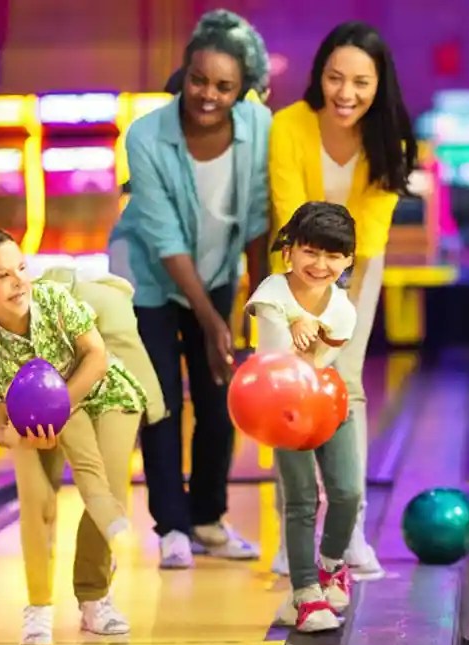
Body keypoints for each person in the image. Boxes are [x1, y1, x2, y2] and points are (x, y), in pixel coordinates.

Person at [108, 10, 271, 568]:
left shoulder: (259, 128)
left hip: (218, 273)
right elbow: (163, 236)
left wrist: (251, 311)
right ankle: (173, 527)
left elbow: (255, 223)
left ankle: (208, 519)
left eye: (225, 86)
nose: (209, 95)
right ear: (186, 71)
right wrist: (211, 322)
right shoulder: (147, 136)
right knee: (160, 401)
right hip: (149, 278)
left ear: (242, 88)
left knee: (221, 396)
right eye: (200, 80)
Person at [0, 223, 148, 645]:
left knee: (106, 483)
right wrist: (27, 436)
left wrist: (60, 404)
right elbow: (1, 427)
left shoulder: (53, 299)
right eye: (2, 276)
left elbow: (96, 355)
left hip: (104, 392)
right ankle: (38, 606)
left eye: (21, 267)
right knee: (36, 498)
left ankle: (94, 598)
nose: (19, 280)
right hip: (42, 423)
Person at [265, 21, 418, 578]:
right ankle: (292, 536)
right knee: (287, 394)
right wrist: (302, 296)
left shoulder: (391, 138)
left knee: (344, 385)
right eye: (335, 78)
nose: (346, 93)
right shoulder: (289, 126)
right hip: (288, 272)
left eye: (360, 81)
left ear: (380, 85)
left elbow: (372, 230)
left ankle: (349, 529)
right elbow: (287, 209)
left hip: (357, 272)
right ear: (319, 75)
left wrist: (335, 302)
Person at [247, 201, 361, 633]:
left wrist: (303, 328)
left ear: (348, 260)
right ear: (289, 251)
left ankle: (332, 564)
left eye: (333, 256)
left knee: (348, 492)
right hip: (283, 406)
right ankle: (306, 593)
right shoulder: (271, 291)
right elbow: (279, 352)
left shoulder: (344, 308)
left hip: (327, 401)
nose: (320, 265)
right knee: (301, 502)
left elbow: (316, 357)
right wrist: (295, 319)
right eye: (310, 252)